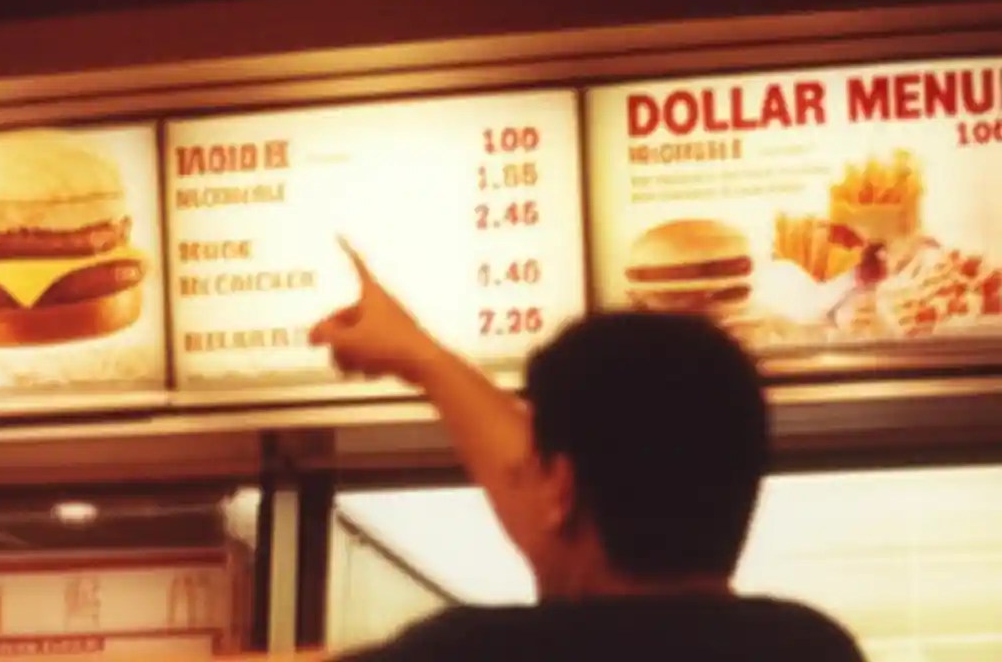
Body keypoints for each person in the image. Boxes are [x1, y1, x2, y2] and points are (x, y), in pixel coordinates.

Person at [307, 242, 865, 662]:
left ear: (563, 486)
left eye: (533, 466)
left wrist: (422, 357)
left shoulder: (470, 652)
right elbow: (548, 494)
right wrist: (421, 357)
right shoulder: (808, 647)